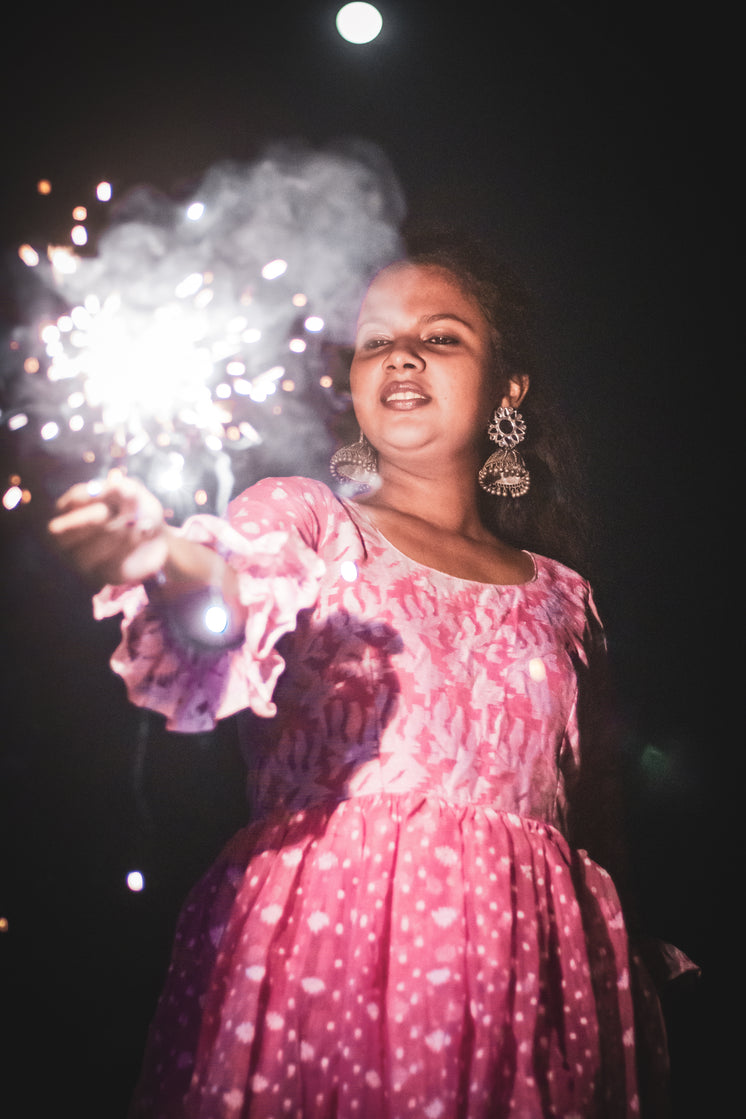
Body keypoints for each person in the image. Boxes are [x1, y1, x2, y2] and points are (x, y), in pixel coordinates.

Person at [48, 246, 689, 1117]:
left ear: (509, 389)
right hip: (329, 957)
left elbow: (595, 819)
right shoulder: (309, 519)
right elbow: (232, 590)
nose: (401, 357)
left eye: (441, 337)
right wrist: (164, 557)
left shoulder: (565, 595)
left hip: (531, 987)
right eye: (376, 343)